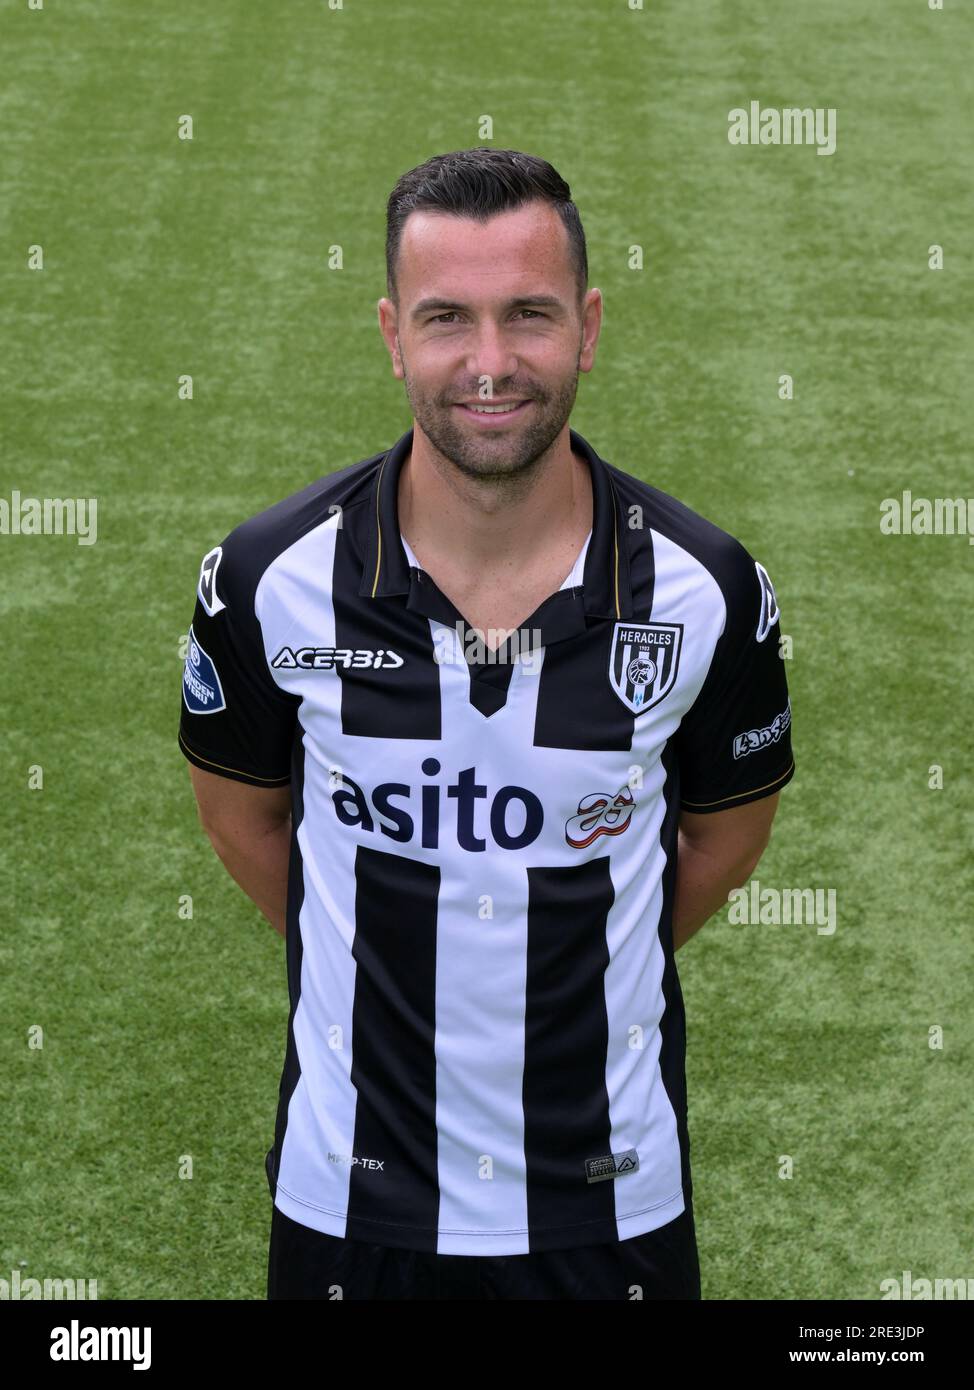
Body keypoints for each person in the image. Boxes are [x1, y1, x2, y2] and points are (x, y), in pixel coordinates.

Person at [178, 147, 795, 1300]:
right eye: (446, 318)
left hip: (608, 1203)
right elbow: (245, 821)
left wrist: (557, 951)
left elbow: (718, 842)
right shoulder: (267, 580)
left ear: (590, 326)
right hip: (348, 1199)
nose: (490, 364)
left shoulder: (706, 592)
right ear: (391, 334)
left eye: (530, 316)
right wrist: (388, 959)